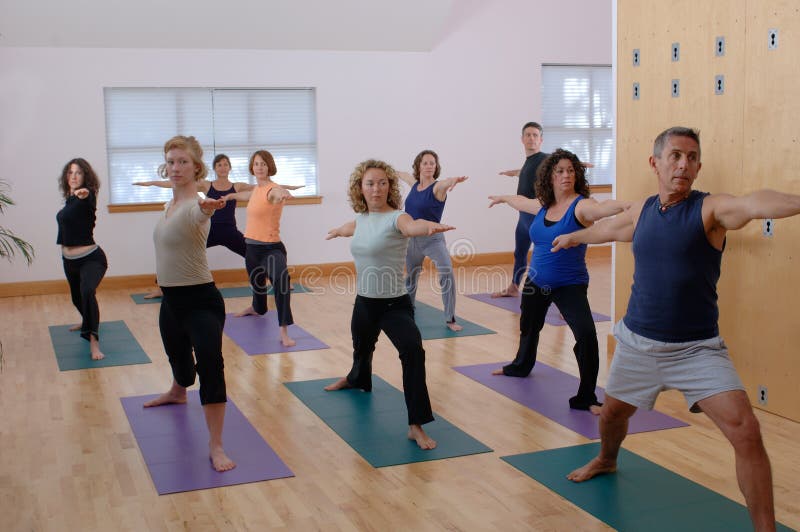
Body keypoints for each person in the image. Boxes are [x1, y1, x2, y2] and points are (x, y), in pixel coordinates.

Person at [553, 127, 798, 531]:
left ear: (699, 167)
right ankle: (607, 459)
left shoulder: (709, 209)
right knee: (612, 414)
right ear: (656, 163)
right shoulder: (644, 210)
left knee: (746, 431)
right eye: (675, 156)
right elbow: (610, 230)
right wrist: (575, 236)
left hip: (697, 351)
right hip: (637, 343)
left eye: (692, 157)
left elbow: (753, 204)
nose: (684, 164)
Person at [324, 159, 454, 450]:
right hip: (364, 301)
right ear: (361, 188)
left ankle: (416, 425)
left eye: (382, 183)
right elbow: (350, 228)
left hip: (394, 305)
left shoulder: (398, 217)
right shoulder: (360, 219)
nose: (376, 189)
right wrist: (337, 230)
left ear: (390, 187)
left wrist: (429, 227)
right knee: (361, 349)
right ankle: (356, 379)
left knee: (413, 352)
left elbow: (412, 226)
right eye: (370, 183)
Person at [488, 149, 628, 412]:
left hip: (569, 284)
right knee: (529, 327)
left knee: (586, 334)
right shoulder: (544, 204)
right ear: (550, 177)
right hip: (536, 281)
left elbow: (602, 209)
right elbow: (522, 202)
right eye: (560, 171)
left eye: (571, 170)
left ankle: (586, 396)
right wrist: (504, 198)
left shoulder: (581, 206)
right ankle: (520, 366)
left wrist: (625, 206)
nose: (566, 175)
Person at [143, 135, 235, 472]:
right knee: (180, 363)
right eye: (171, 162)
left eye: (183, 162)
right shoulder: (167, 207)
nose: (176, 168)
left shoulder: (197, 205)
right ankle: (177, 391)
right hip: (171, 301)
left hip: (201, 301)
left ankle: (216, 445)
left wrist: (207, 207)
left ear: (196, 167)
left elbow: (201, 211)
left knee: (210, 367)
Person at [134, 155, 303, 299]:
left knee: (256, 254)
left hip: (230, 231)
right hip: (211, 230)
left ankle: (282, 283)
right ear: (215, 168)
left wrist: (287, 188)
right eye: (219, 165)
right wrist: (151, 183)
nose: (223, 167)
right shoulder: (207, 185)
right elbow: (179, 183)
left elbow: (265, 186)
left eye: (225, 164)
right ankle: (161, 288)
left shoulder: (237, 186)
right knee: (180, 249)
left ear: (230, 168)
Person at [221, 150, 296, 347]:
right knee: (258, 289)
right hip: (251, 248)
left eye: (263, 164)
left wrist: (283, 193)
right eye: (256, 164)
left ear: (270, 167)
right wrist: (230, 196)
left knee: (281, 285)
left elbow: (275, 194)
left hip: (271, 249)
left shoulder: (273, 189)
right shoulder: (256, 189)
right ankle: (256, 308)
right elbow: (247, 195)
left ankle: (284, 330)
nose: (260, 167)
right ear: (252, 168)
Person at [397, 150, 467, 331]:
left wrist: (453, 181)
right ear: (418, 166)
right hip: (412, 239)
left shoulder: (437, 188)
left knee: (446, 273)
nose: (429, 166)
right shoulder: (414, 185)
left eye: (432, 163)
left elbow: (445, 183)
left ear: (436, 167)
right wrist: (388, 171)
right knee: (411, 277)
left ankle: (450, 319)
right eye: (425, 163)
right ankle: (407, 310)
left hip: (433, 240)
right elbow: (404, 175)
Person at [56, 158, 108, 361]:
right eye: (70, 172)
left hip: (91, 259)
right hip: (69, 261)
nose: (74, 176)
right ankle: (87, 321)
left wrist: (83, 194)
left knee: (87, 292)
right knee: (76, 298)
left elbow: (86, 196)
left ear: (85, 176)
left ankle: (94, 342)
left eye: (78, 172)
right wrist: (74, 196)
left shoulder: (87, 196)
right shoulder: (70, 199)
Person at [493, 122, 549, 298]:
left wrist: (577, 163)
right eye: (528, 135)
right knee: (519, 253)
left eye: (535, 135)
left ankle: (553, 296)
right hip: (523, 219)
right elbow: (530, 172)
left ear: (541, 140)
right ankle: (514, 287)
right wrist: (515, 172)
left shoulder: (545, 159)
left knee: (543, 258)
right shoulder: (529, 162)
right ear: (522, 139)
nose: (531, 138)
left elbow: (558, 162)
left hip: (536, 217)